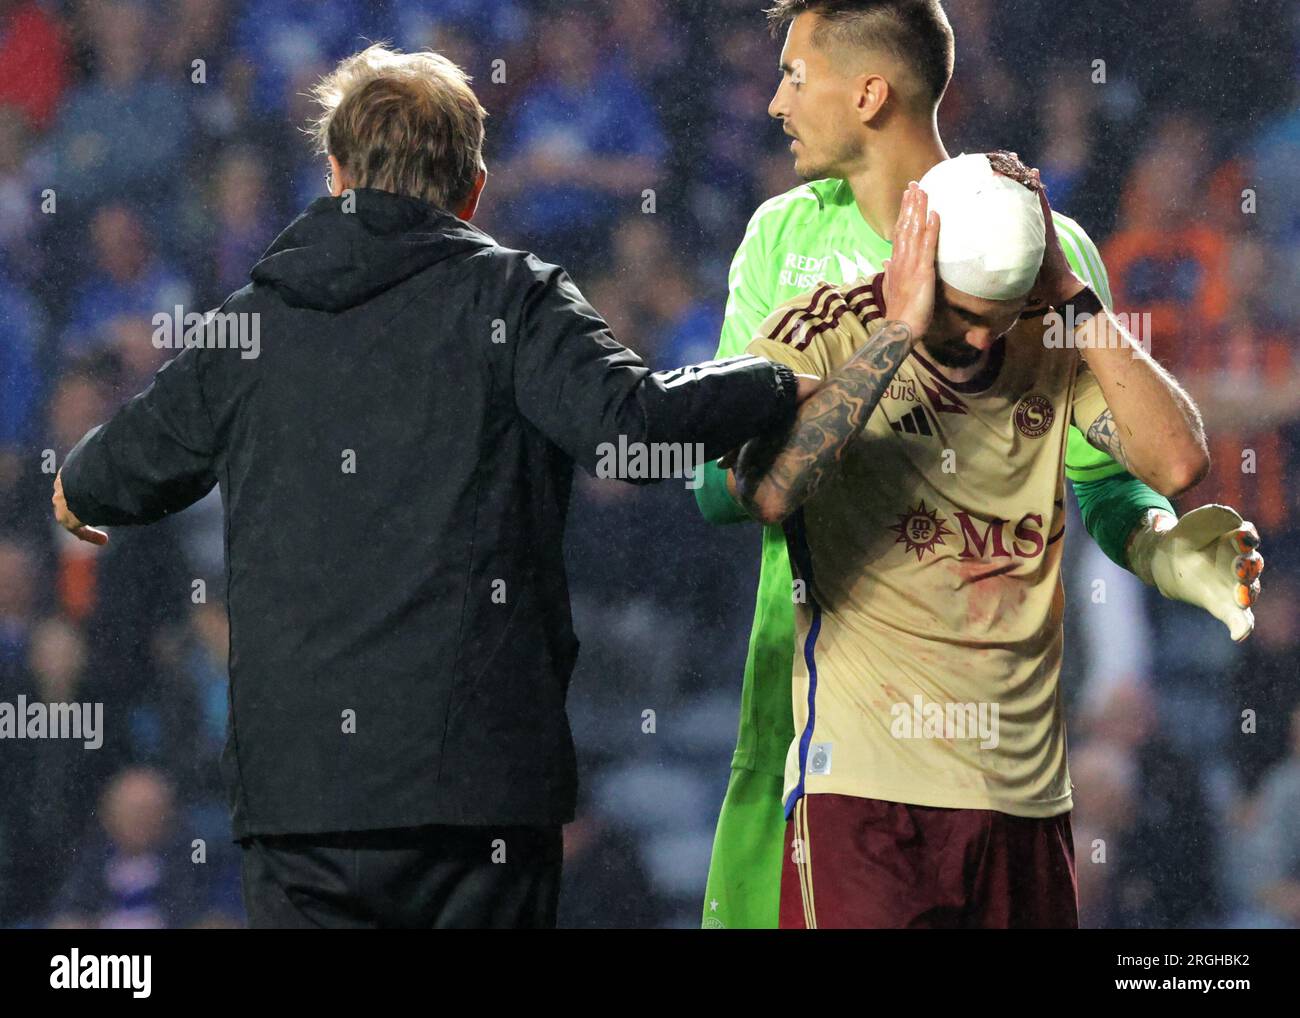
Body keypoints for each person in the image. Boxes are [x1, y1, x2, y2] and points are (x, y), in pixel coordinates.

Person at [49, 44, 820, 930]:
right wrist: (773, 381)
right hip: (479, 789)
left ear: (335, 173)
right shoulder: (515, 300)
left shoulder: (252, 324)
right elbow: (632, 425)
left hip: (302, 807)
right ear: (474, 188)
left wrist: (79, 496)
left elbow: (99, 480)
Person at [697, 0, 1265, 929]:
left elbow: (1112, 478)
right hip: (815, 710)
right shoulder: (784, 242)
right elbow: (720, 493)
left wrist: (1165, 554)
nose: (774, 101)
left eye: (795, 76)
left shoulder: (1055, 250)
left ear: (870, 90)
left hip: (1014, 767)